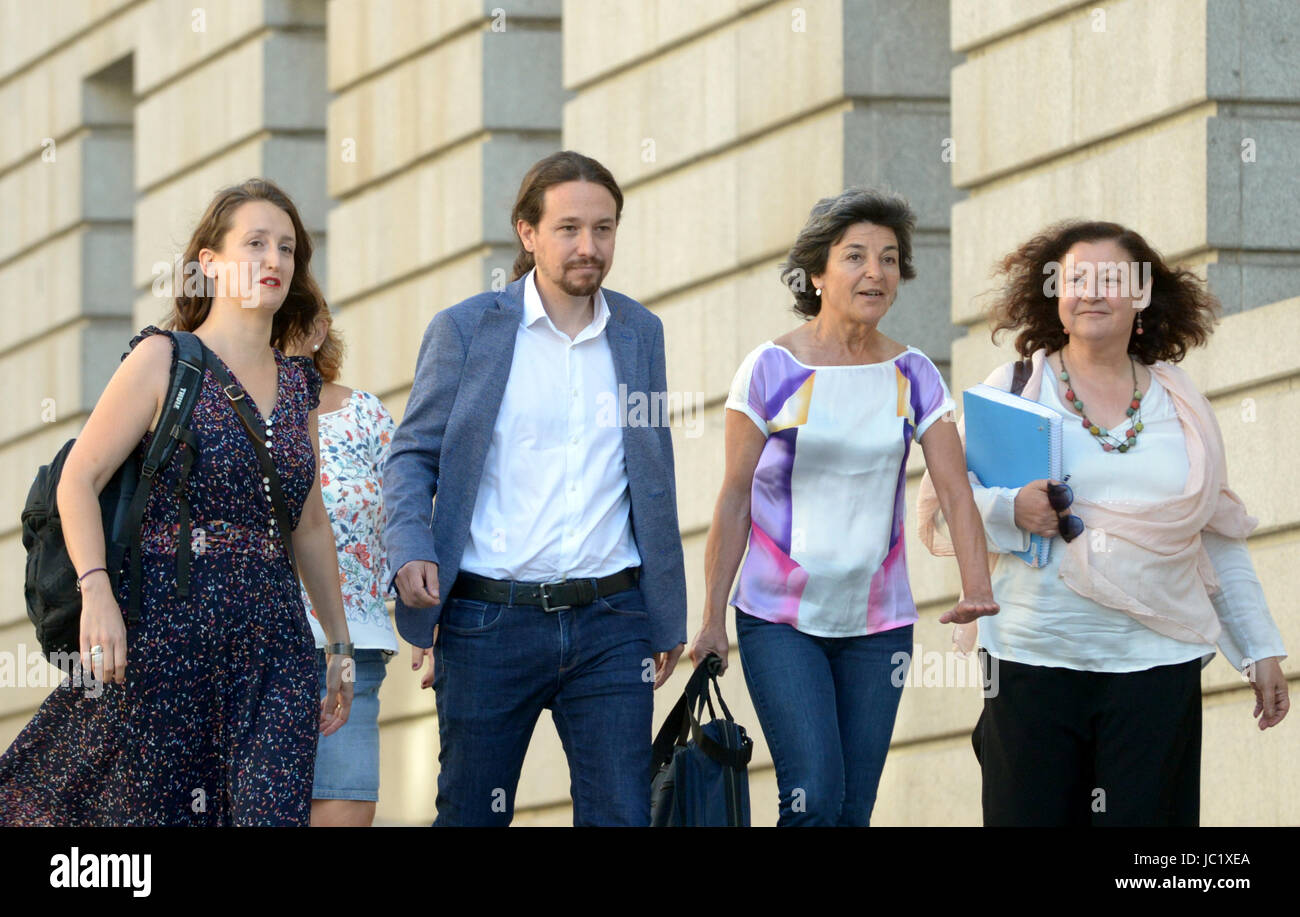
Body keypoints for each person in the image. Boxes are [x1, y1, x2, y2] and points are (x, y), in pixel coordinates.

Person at [0, 178, 353, 826]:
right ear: (210, 263)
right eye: (255, 243)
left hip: (274, 644)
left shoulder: (301, 386)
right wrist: (97, 592)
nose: (274, 259)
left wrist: (339, 644)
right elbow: (78, 478)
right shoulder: (165, 360)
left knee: (269, 816)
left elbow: (307, 523)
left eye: (286, 247)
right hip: (164, 633)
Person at [917, 219, 1289, 826]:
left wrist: (1259, 650)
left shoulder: (1181, 402)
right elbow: (956, 501)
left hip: (1156, 671)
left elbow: (1211, 535)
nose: (1093, 291)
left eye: (1112, 278)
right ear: (1056, 298)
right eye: (1077, 279)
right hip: (1033, 664)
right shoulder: (1015, 390)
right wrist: (1012, 508)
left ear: (1142, 295)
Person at [384, 150, 687, 826]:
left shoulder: (640, 332)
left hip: (613, 619)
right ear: (527, 233)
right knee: (470, 814)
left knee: (622, 816)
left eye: (604, 229)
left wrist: (665, 610)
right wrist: (410, 549)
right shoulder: (467, 330)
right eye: (570, 228)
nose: (590, 246)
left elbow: (653, 474)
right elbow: (411, 456)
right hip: (488, 621)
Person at [689, 189, 1000, 826]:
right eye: (855, 256)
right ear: (817, 273)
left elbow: (955, 490)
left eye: (889, 259)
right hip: (780, 619)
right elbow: (734, 498)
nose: (875, 272)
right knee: (815, 796)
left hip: (879, 624)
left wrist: (976, 587)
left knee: (854, 811)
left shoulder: (914, 374)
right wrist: (712, 618)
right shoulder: (772, 368)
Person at [278, 308, 398, 827]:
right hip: (255, 651)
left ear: (319, 326)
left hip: (353, 653)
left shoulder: (366, 415)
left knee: (344, 809)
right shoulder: (224, 409)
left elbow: (408, 522)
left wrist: (433, 623)